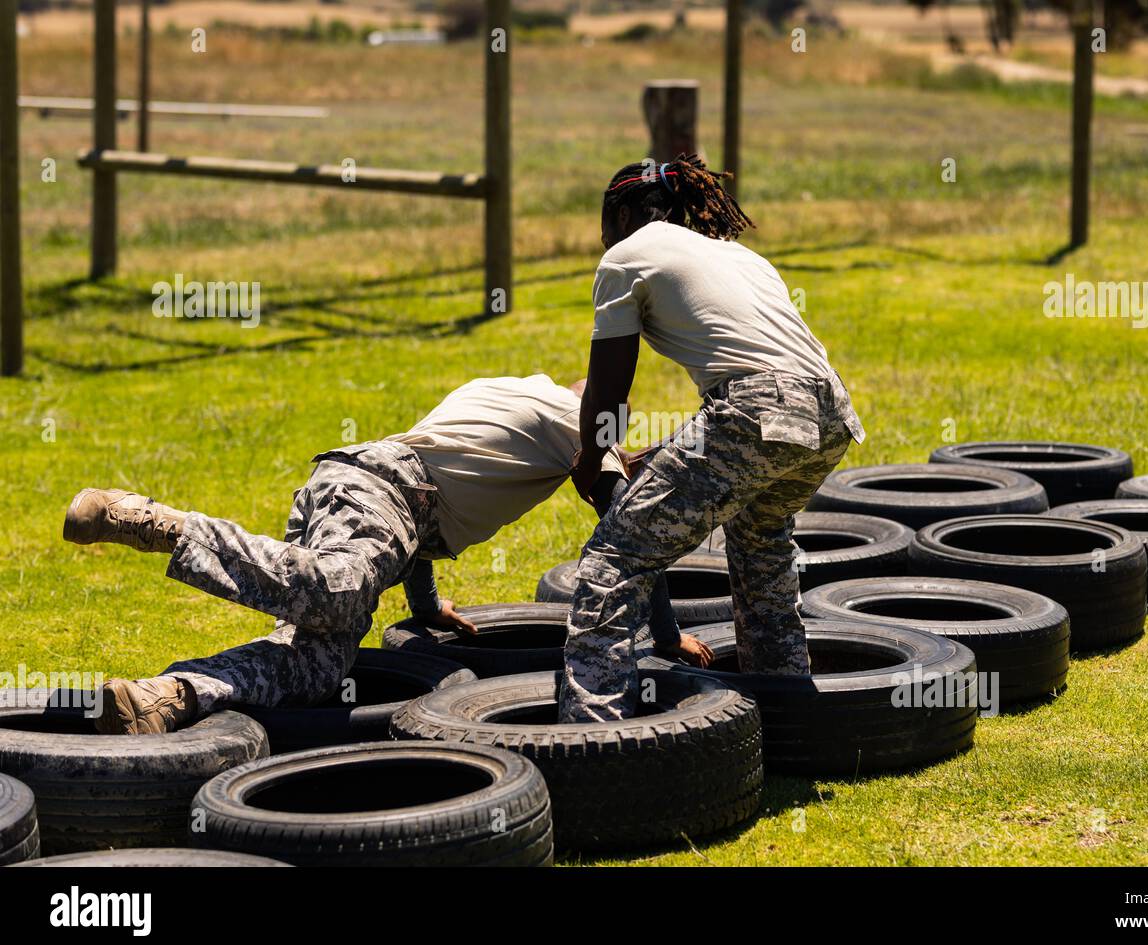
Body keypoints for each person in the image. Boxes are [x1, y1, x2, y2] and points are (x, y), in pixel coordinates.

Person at [64, 374, 704, 734]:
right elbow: (634, 528)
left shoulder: (505, 390)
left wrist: (426, 607)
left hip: (357, 490)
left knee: (315, 664)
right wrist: (669, 638)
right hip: (381, 497)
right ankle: (157, 523)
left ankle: (164, 697)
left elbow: (435, 489)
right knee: (337, 591)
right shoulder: (576, 418)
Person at [560, 154, 866, 723]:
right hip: (830, 417)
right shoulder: (741, 255)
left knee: (615, 557)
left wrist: (591, 456)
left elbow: (609, 391)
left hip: (755, 409)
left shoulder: (624, 257)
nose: (601, 237)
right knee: (760, 543)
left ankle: (589, 738)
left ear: (623, 212)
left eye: (604, 222)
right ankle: (786, 710)